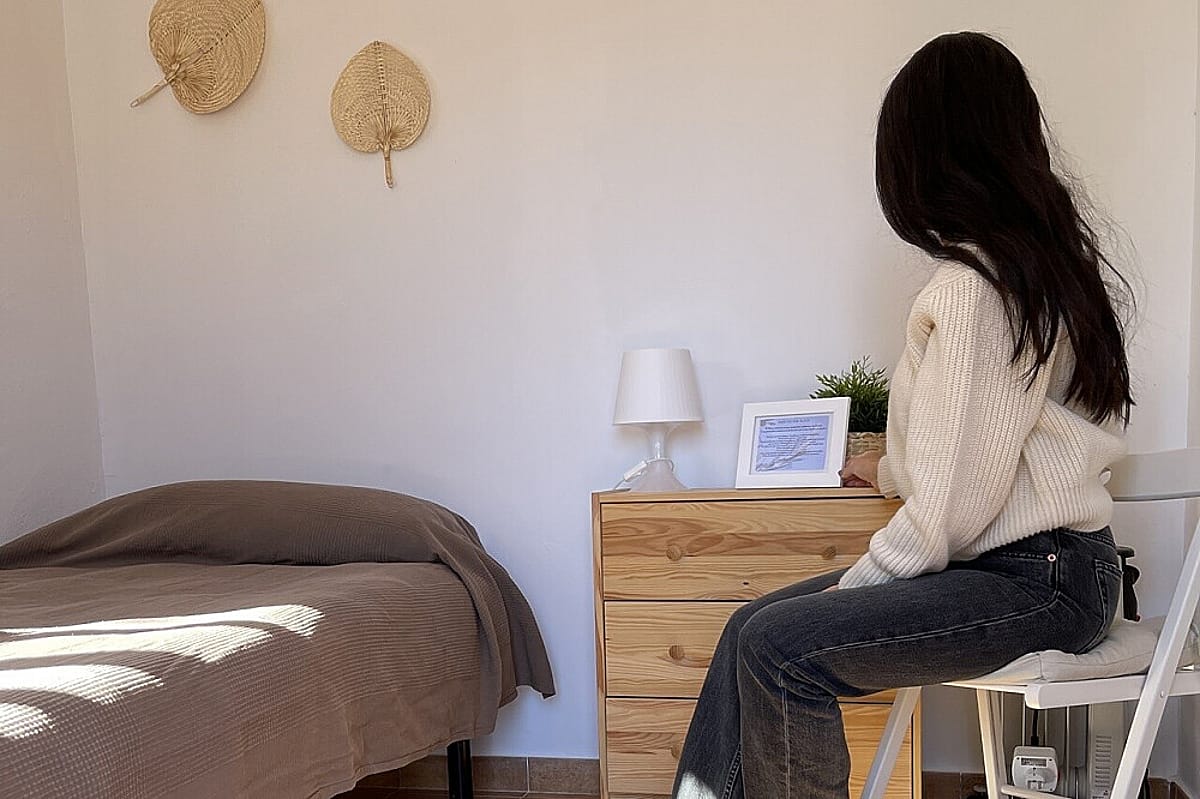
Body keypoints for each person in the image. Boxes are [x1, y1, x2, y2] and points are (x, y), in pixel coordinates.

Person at [672, 31, 1133, 799]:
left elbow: (955, 503)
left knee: (781, 649)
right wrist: (886, 466)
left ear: (922, 157)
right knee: (748, 627)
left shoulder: (974, 289)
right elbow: (987, 443)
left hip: (1039, 577)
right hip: (1042, 568)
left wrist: (862, 583)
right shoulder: (1024, 273)